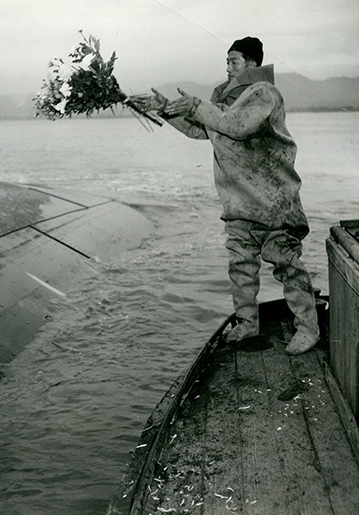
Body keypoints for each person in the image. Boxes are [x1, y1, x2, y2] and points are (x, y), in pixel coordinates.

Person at [137, 36, 319, 355]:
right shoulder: (225, 102)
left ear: (252, 64)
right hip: (239, 205)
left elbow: (237, 126)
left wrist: (196, 105)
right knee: (240, 266)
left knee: (287, 264)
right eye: (227, 61)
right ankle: (247, 324)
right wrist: (166, 109)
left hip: (274, 203)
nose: (228, 66)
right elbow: (201, 129)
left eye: (233, 61)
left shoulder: (264, 93)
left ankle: (308, 328)